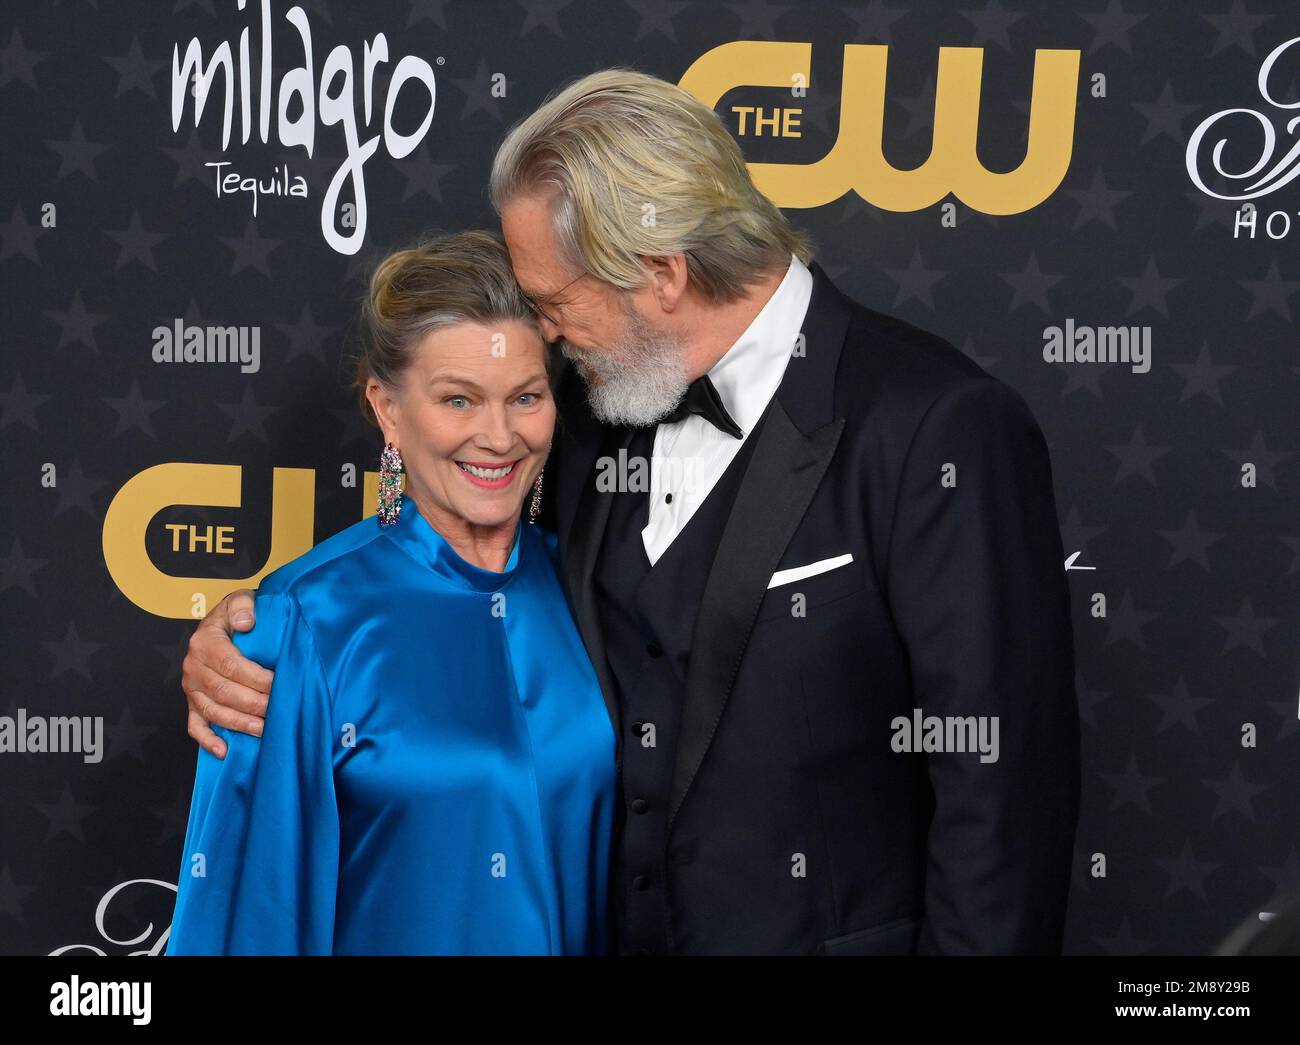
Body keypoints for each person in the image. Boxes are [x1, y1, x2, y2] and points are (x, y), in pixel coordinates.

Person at [182, 69, 1081, 955]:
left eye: (554, 302)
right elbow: (455, 600)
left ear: (660, 273)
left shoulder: (939, 427)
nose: (547, 333)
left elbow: (1003, 805)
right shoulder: (584, 410)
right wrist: (257, 639)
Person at [166, 230, 616, 955]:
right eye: (458, 400)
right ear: (388, 409)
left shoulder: (591, 583)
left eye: (524, 396)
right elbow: (248, 921)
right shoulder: (299, 623)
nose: (498, 436)